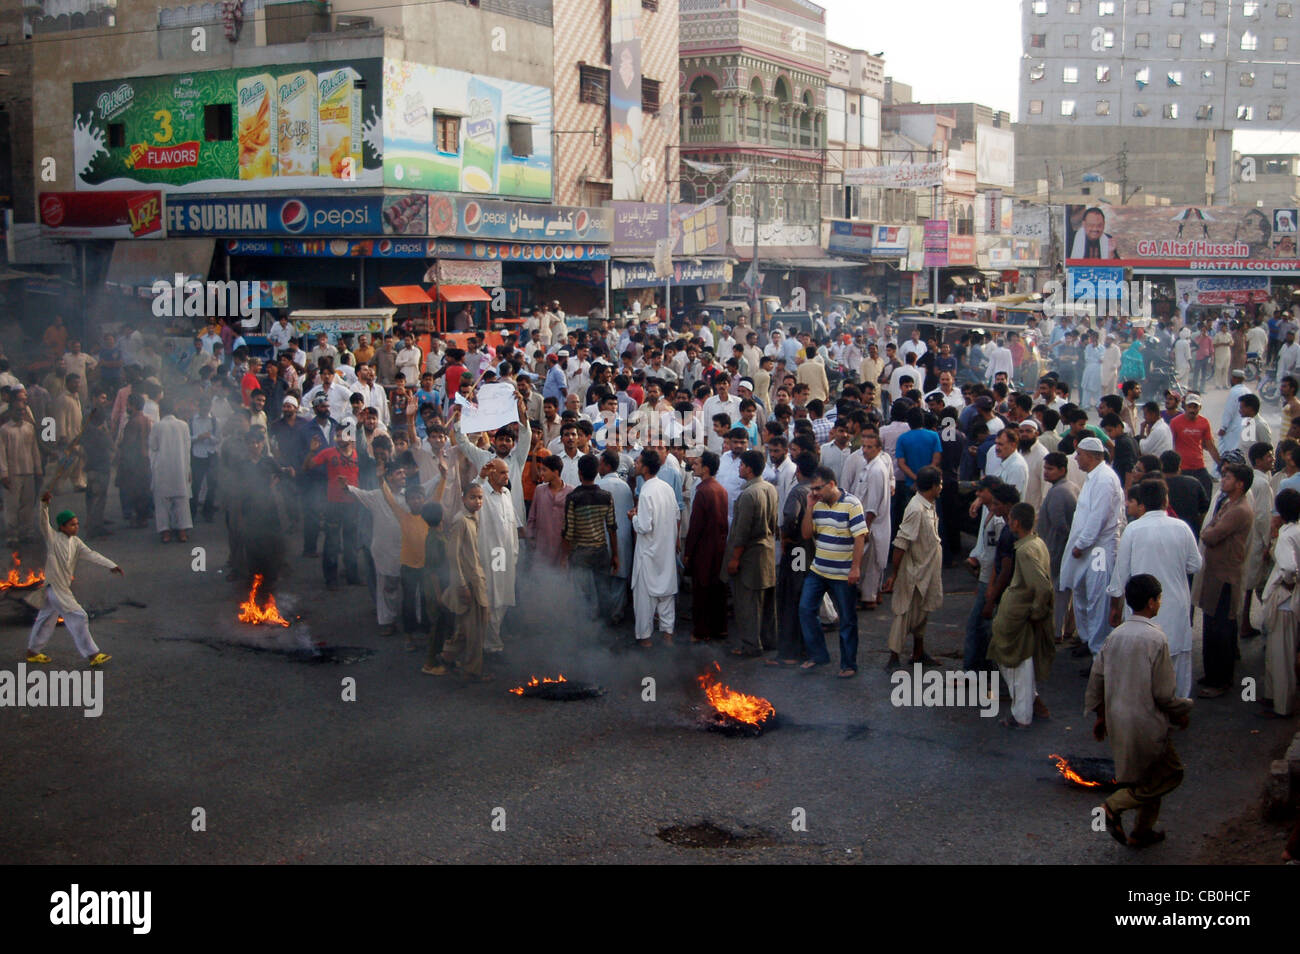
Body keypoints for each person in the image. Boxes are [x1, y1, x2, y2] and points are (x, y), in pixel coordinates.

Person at [1087, 573, 1193, 850]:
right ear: (1151, 603)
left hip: (1118, 718)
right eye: (1158, 599)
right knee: (1171, 773)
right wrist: (1182, 711)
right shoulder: (1155, 638)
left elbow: (1096, 678)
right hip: (1145, 720)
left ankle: (1141, 832)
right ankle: (1112, 806)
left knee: (1149, 775)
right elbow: (1163, 694)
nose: (1160, 603)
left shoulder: (1115, 635)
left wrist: (1101, 716)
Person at [1108, 480, 1202, 698]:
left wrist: (1115, 607)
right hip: (1175, 607)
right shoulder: (1181, 528)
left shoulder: (1133, 530)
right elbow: (1195, 564)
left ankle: (1149, 714)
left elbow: (1119, 575)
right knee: (1177, 663)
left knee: (1143, 665)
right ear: (1165, 500)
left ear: (1143, 503)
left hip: (1142, 611)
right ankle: (1177, 710)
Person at [24, 492, 122, 667]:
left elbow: (92, 555)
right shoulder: (53, 538)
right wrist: (44, 504)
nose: (75, 527)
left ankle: (32, 652)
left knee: (45, 619)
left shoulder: (76, 542)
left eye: (77, 524)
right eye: (71, 525)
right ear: (62, 527)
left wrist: (111, 565)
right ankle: (93, 654)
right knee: (79, 616)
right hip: (56, 588)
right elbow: (43, 522)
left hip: (57, 589)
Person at [989, 502, 1055, 728]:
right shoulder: (1036, 543)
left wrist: (1036, 611)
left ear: (1015, 522)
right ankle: (1029, 704)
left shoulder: (1026, 551)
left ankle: (1022, 715)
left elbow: (1042, 587)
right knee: (1017, 663)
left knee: (1016, 665)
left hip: (1019, 614)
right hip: (1020, 612)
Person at [799, 465, 868, 676]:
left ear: (831, 484)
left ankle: (848, 664)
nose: (815, 493)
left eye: (818, 488)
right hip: (819, 569)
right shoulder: (817, 504)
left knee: (847, 619)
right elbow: (806, 534)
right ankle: (818, 655)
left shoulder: (852, 504)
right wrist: (809, 507)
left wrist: (855, 568)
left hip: (843, 573)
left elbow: (859, 537)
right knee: (806, 609)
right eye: (812, 489)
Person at [1062, 437, 1126, 657]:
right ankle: (1087, 638)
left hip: (1098, 548)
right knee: (1081, 593)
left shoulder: (1105, 479)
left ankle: (1100, 651)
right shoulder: (1093, 477)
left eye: (1079, 454)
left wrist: (1082, 544)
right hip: (1086, 546)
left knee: (1098, 599)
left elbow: (1098, 517)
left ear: (1090, 455)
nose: (1076, 458)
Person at [1195, 463, 1254, 698]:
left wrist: (1208, 531)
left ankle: (1220, 680)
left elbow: (1211, 534)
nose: (1224, 480)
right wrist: (1208, 530)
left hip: (1225, 577)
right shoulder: (1229, 504)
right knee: (1212, 627)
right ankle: (1213, 675)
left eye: (1228, 477)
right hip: (1217, 574)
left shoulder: (1239, 510)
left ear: (1239, 484)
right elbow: (1209, 528)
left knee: (1221, 631)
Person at [882, 465, 944, 672]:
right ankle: (893, 657)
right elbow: (901, 544)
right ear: (934, 486)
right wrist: (895, 574)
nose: (942, 487)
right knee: (905, 614)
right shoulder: (916, 509)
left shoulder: (929, 504)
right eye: (940, 483)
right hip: (914, 572)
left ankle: (918, 653)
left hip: (927, 570)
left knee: (923, 612)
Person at [724, 449, 778, 658]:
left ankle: (751, 645)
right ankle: (769, 640)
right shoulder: (769, 488)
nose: (739, 467)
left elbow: (742, 532)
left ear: (748, 468)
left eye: (741, 465)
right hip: (767, 551)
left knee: (748, 603)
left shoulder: (748, 494)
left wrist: (735, 558)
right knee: (766, 603)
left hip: (750, 555)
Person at [439, 483, 492, 682]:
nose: (477, 501)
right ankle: (471, 671)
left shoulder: (473, 518)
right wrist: (461, 585)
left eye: (480, 497)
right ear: (463, 498)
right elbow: (453, 555)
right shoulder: (460, 521)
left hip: (476, 578)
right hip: (469, 583)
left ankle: (447, 656)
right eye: (473, 497)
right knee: (476, 630)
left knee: (467, 626)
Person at [630, 449, 680, 649]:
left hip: (648, 556)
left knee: (644, 603)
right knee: (666, 600)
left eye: (638, 462)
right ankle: (668, 640)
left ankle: (646, 641)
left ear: (646, 467)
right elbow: (675, 514)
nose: (635, 464)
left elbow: (643, 526)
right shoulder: (666, 488)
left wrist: (632, 517)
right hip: (665, 554)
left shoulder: (647, 491)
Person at [305, 423, 361, 591]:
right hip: (334, 504)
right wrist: (312, 451)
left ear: (350, 437)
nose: (338, 439)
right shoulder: (328, 452)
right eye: (336, 435)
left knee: (351, 542)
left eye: (342, 435)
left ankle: (353, 576)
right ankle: (331, 579)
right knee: (332, 542)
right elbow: (307, 467)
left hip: (353, 503)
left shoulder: (359, 454)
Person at [683, 450, 729, 643]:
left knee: (701, 592)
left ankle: (701, 631)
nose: (693, 465)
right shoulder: (720, 489)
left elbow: (695, 526)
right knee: (716, 591)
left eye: (697, 464)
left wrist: (688, 553)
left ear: (706, 468)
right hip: (719, 548)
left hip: (703, 549)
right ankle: (719, 628)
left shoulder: (703, 490)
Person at [477, 457, 521, 652]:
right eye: (502, 472)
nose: (506, 476)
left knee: (504, 597)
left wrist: (514, 552)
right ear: (492, 474)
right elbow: (470, 495)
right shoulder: (482, 494)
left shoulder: (506, 494)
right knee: (493, 598)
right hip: (493, 553)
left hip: (507, 553)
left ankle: (493, 639)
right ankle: (490, 644)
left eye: (507, 472)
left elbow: (511, 525)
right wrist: (480, 477)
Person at [848, 431, 893, 608]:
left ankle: (869, 599)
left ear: (878, 449)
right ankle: (869, 597)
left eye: (869, 447)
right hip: (868, 524)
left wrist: (864, 528)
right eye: (863, 447)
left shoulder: (876, 469)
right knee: (868, 564)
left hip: (872, 526)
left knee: (870, 565)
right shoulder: (869, 467)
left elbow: (873, 505)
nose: (865, 450)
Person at [1038, 452, 1079, 644]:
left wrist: (1056, 549)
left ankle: (1056, 632)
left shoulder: (1058, 492)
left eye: (1050, 469)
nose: (1046, 472)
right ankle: (1067, 629)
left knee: (1058, 593)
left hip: (1056, 550)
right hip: (1062, 549)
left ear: (1062, 470)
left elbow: (1060, 525)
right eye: (1045, 468)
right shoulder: (1070, 487)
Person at [0, 387, 43, 545]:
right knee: (12, 506)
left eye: (23, 411)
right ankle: (12, 535)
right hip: (12, 474)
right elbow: (1, 454)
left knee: (27, 504)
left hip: (29, 472)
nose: (21, 413)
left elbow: (35, 450)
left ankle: (26, 532)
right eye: (18, 411)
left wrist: (38, 470)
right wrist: (3, 474)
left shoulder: (29, 428)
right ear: (11, 411)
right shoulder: (4, 430)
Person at [148, 400, 193, 544]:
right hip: (181, 466)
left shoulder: (157, 426)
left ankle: (165, 532)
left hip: (163, 467)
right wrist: (188, 469)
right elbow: (187, 448)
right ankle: (182, 532)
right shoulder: (184, 425)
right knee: (181, 501)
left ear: (161, 411)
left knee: (162, 501)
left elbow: (153, 445)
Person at [526, 455, 570, 568]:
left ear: (555, 472)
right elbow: (532, 517)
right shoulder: (539, 490)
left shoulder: (570, 492)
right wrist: (530, 538)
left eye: (544, 470)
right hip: (541, 547)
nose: (541, 473)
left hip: (562, 548)